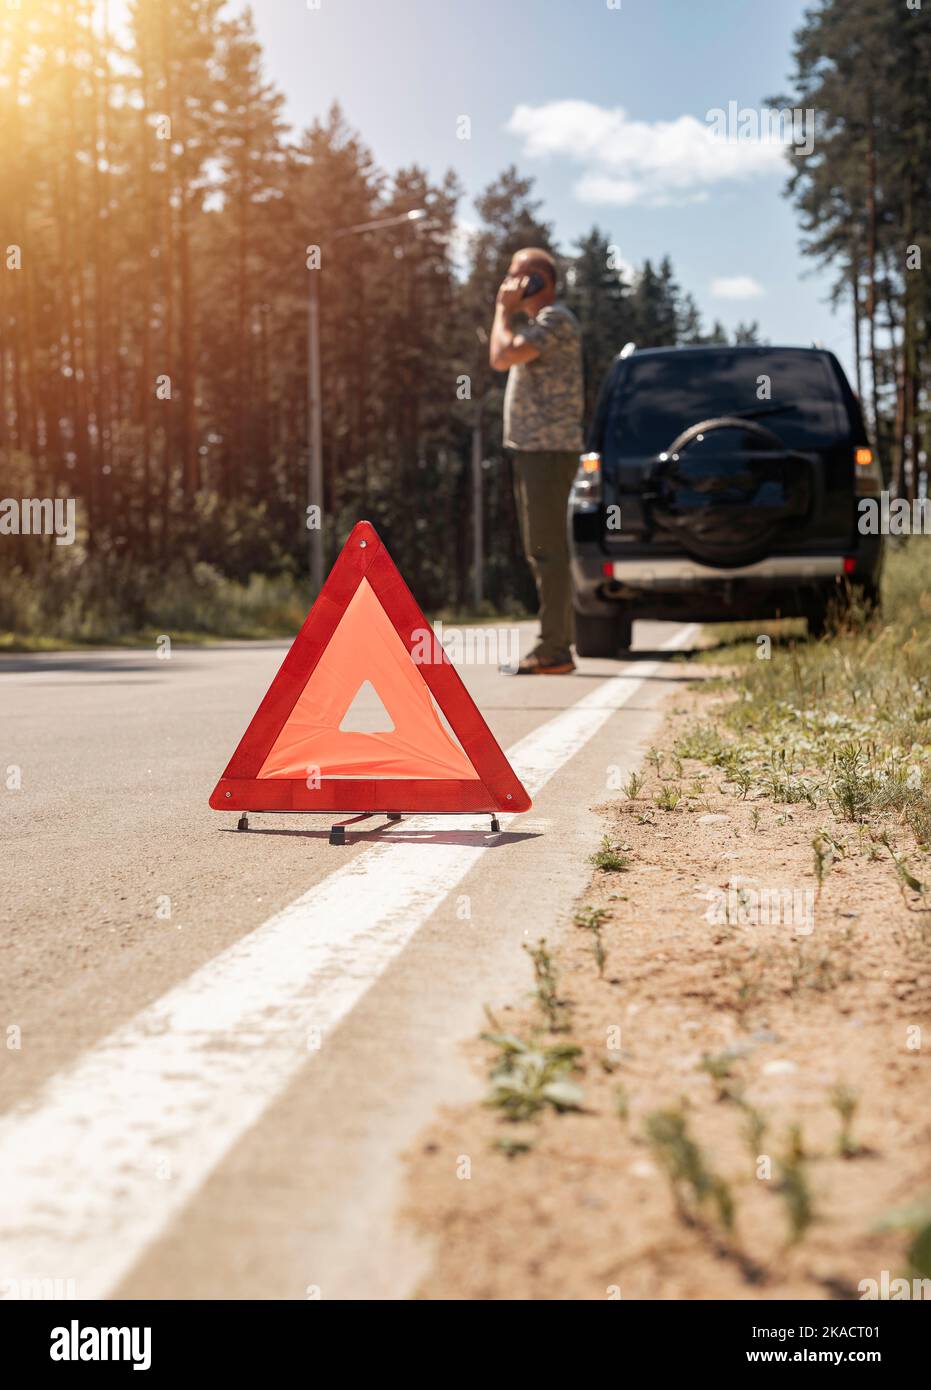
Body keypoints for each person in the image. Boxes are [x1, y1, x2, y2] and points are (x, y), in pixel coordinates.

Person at [489, 247, 583, 675]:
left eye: (516, 276)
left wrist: (501, 311)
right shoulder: (541, 324)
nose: (509, 283)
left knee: (547, 548)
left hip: (548, 448)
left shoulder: (554, 320)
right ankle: (557, 642)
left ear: (538, 280)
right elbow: (500, 357)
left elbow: (503, 356)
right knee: (541, 547)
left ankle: (554, 648)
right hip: (535, 448)